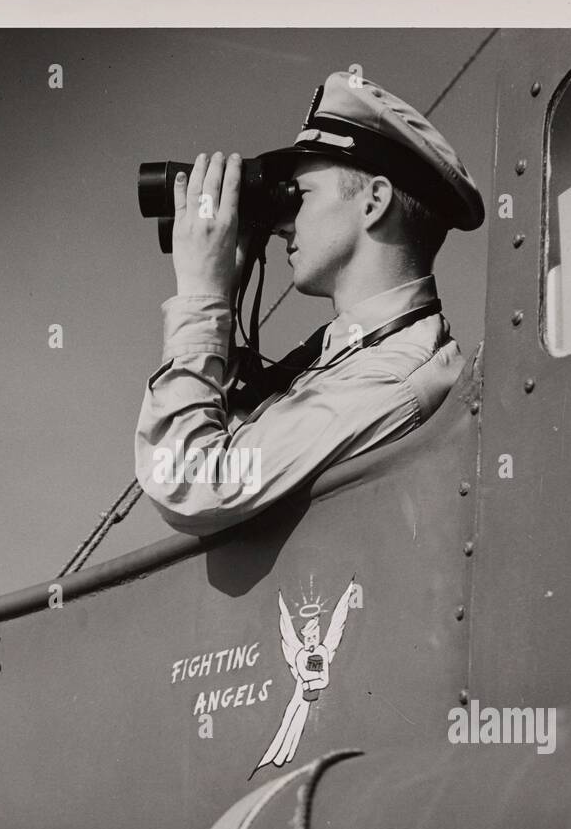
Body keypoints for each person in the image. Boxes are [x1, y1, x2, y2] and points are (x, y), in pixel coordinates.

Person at [134, 71, 485, 536]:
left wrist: (202, 295)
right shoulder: (341, 358)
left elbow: (192, 481)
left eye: (299, 196)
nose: (282, 223)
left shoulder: (394, 375)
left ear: (374, 201)